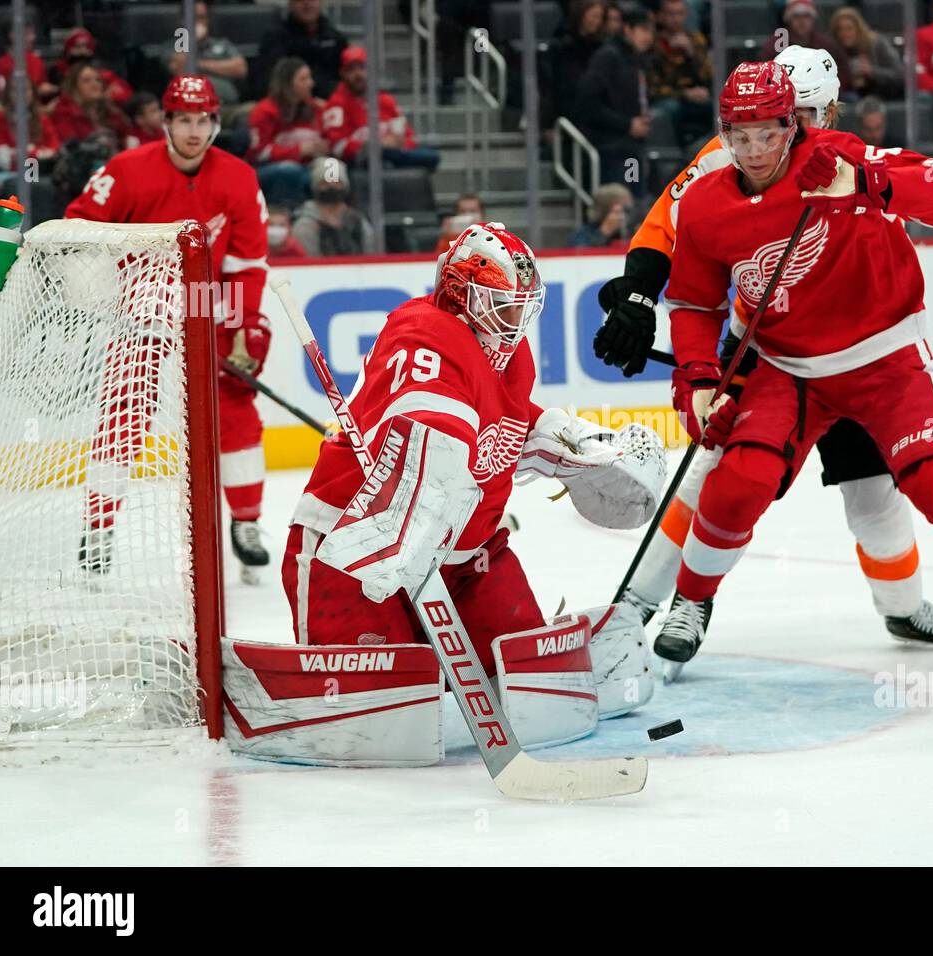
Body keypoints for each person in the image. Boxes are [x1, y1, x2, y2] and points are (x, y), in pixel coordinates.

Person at [651, 60, 933, 688]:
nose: (754, 151)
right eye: (739, 135)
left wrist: (860, 181)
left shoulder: (837, 153)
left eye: (769, 133)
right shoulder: (704, 200)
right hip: (788, 369)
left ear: (793, 124)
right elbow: (696, 305)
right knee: (736, 480)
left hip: (885, 359)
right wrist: (697, 384)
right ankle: (689, 600)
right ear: (722, 133)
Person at [592, 47, 933, 652]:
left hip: (858, 356)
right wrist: (641, 297)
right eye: (793, 113)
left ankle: (904, 608)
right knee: (714, 478)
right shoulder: (735, 152)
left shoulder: (849, 158)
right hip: (767, 352)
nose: (801, 127)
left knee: (874, 493)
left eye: (812, 112)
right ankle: (647, 607)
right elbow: (665, 230)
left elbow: (926, 210)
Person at [282, 221, 661, 693]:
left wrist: (567, 441)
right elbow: (433, 424)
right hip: (357, 550)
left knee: (527, 678)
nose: (513, 324)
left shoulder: (509, 352)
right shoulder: (421, 332)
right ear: (461, 295)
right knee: (384, 696)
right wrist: (440, 476)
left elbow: (499, 423)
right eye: (502, 307)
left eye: (520, 309)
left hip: (466, 559)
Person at [65, 75, 273, 583]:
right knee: (123, 416)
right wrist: (97, 291)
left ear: (216, 123)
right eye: (184, 119)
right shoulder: (126, 171)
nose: (194, 130)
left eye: (203, 120)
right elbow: (77, 229)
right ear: (166, 122)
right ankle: (99, 527)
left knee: (237, 411)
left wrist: (246, 329)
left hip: (206, 306)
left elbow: (247, 263)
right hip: (141, 308)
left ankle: (246, 524)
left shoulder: (240, 178)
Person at [576, 5, 656, 195]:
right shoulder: (608, 57)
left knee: (637, 200)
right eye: (643, 30)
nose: (648, 37)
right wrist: (627, 124)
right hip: (613, 148)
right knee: (623, 200)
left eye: (651, 32)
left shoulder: (637, 59)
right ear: (627, 29)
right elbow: (587, 103)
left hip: (633, 147)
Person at [322, 47, 439, 169]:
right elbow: (336, 147)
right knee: (384, 162)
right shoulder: (336, 104)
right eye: (351, 69)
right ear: (342, 73)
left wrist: (399, 143)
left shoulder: (385, 100)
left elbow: (408, 137)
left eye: (362, 67)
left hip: (393, 155)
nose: (358, 74)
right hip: (358, 161)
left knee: (431, 156)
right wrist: (376, 145)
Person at [247, 56, 328, 206]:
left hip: (309, 166)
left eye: (309, 78)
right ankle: (286, 214)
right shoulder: (264, 111)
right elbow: (258, 153)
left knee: (333, 169)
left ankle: (329, 216)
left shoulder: (317, 108)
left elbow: (330, 138)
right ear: (288, 84)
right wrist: (298, 151)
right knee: (290, 171)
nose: (311, 83)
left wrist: (326, 146)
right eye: (303, 79)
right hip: (269, 169)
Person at [252, 0, 349, 101]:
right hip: (290, 104)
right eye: (300, 0)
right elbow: (270, 81)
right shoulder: (275, 38)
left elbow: (347, 75)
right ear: (290, 4)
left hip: (333, 101)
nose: (307, 4)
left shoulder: (336, 38)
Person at [648, 0, 713, 146]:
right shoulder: (652, 43)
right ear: (660, 16)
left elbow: (709, 77)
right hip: (670, 98)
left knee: (718, 106)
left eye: (680, 14)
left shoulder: (696, 39)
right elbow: (654, 88)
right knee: (671, 108)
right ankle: (677, 152)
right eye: (671, 14)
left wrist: (691, 54)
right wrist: (684, 94)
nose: (676, 19)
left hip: (697, 97)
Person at [166, 0, 248, 106]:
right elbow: (180, 72)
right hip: (193, 109)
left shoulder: (222, 44)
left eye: (202, 18)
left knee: (248, 112)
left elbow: (240, 69)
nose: (198, 23)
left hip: (227, 107)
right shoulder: (174, 47)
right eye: (194, 18)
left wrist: (198, 64)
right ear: (183, 20)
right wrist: (191, 40)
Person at [291, 158, 377, 256]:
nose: (331, 186)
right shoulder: (306, 224)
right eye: (325, 182)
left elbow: (371, 254)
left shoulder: (358, 220)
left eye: (337, 182)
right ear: (316, 186)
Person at [543, 0, 608, 127]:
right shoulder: (562, 45)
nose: (597, 21)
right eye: (594, 16)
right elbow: (553, 85)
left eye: (600, 17)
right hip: (566, 106)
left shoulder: (603, 47)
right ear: (581, 14)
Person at [761, 1, 851, 84]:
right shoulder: (775, 45)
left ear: (813, 19)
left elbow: (843, 72)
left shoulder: (827, 45)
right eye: (796, 16)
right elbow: (764, 74)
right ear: (788, 19)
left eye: (806, 16)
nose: (802, 21)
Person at [828, 6, 904, 100]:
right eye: (840, 29)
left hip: (882, 94)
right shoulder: (832, 50)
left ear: (858, 29)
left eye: (849, 28)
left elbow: (899, 75)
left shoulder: (876, 44)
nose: (844, 33)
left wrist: (872, 71)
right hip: (848, 97)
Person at [0, 78, 60, 174]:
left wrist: (22, 153)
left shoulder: (42, 119)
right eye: (15, 89)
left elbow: (55, 151)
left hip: (38, 173)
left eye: (25, 89)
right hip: (6, 174)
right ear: (8, 93)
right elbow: (2, 159)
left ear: (32, 92)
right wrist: (37, 152)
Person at [49, 62, 130, 147]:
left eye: (98, 80)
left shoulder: (108, 109)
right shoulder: (64, 112)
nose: (95, 84)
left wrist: (110, 106)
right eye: (86, 81)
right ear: (73, 87)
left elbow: (125, 134)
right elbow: (72, 146)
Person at [51, 28, 133, 106]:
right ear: (68, 50)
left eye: (86, 47)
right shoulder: (57, 73)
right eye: (77, 47)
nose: (82, 51)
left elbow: (125, 94)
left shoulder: (104, 74)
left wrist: (107, 96)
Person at [568, 183, 634, 246]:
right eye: (618, 211)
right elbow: (578, 253)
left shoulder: (632, 232)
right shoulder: (584, 234)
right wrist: (604, 232)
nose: (622, 216)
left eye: (626, 210)